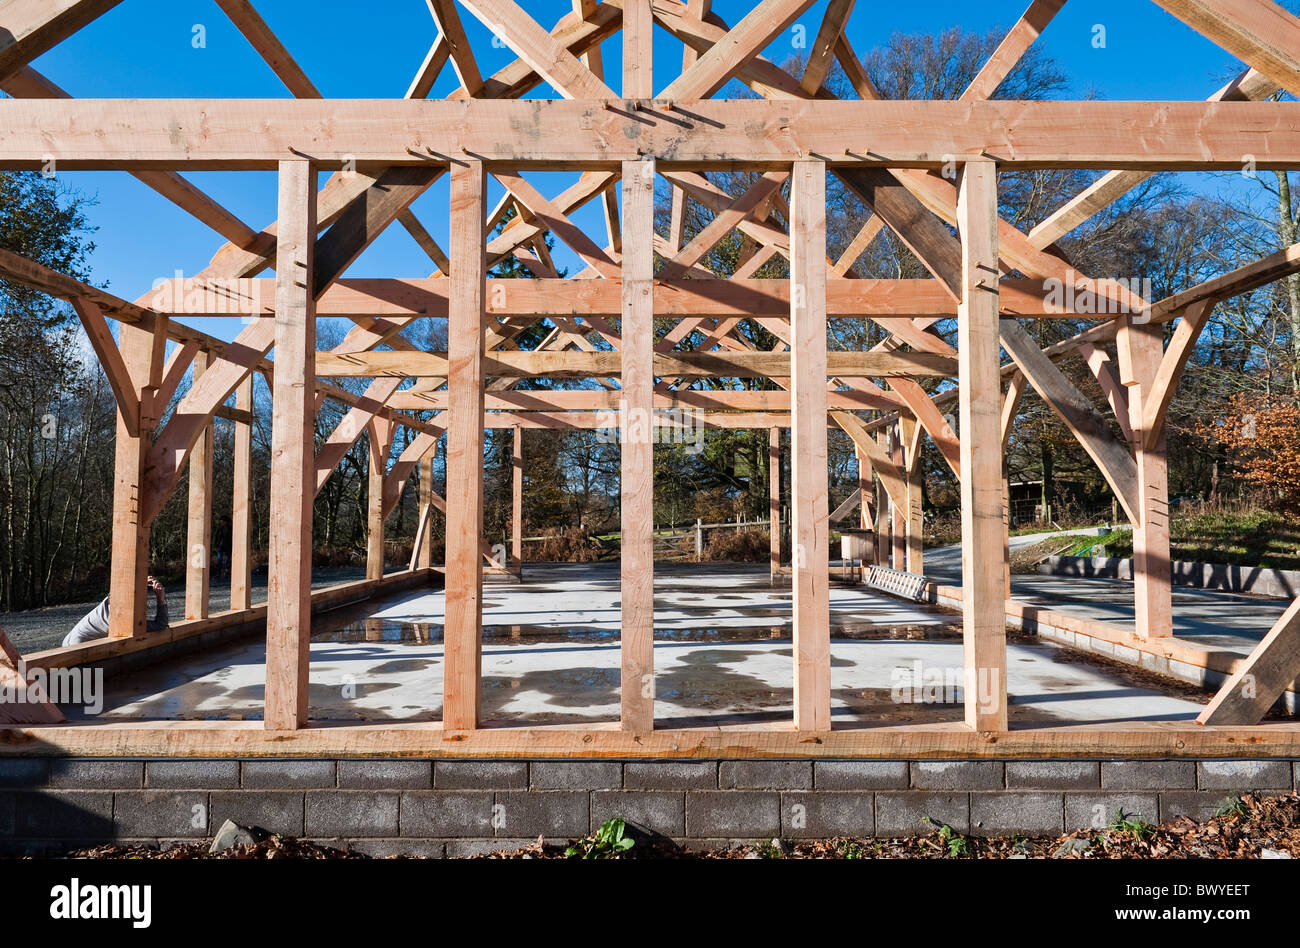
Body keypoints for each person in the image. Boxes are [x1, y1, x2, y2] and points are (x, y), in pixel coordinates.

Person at [62, 575, 169, 647]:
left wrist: (139, 579)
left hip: (70, 643)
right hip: (74, 648)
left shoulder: (111, 603)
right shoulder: (119, 618)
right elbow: (160, 625)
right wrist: (161, 599)